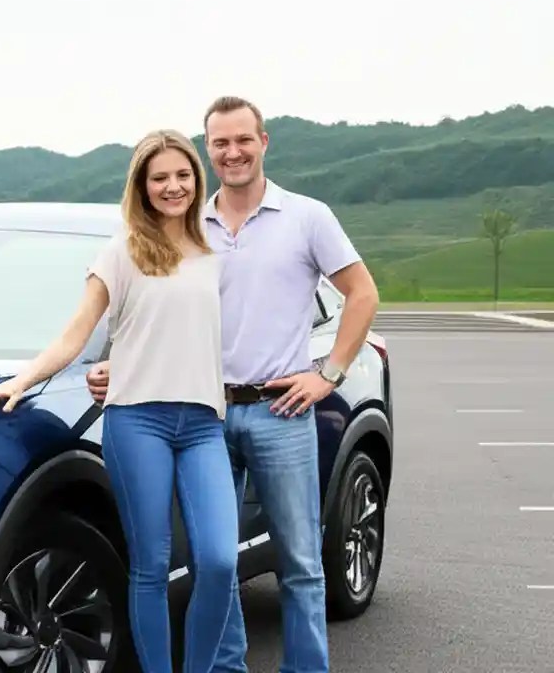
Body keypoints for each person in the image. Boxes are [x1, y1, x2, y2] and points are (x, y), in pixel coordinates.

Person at [86, 96, 380, 673]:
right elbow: (154, 308)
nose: (233, 152)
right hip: (205, 413)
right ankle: (225, 668)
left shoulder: (306, 217)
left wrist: (329, 376)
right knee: (216, 564)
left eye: (243, 139)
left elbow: (363, 294)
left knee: (299, 562)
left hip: (282, 410)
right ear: (207, 151)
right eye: (219, 143)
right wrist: (119, 364)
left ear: (264, 141)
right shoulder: (190, 225)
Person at [0, 129, 240, 673]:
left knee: (217, 561)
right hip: (138, 422)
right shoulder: (122, 251)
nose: (173, 186)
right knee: (151, 564)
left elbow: (231, 336)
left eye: (183, 175)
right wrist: (21, 381)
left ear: (196, 178)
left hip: (204, 425)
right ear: (141, 186)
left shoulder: (219, 249)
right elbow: (75, 335)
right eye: (159, 177)